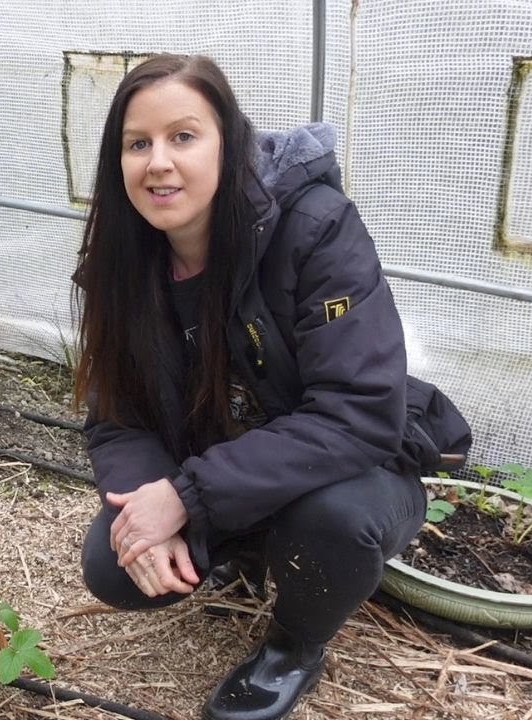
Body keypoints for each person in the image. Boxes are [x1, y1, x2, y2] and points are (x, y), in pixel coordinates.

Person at [72, 54, 427, 720]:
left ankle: (294, 648)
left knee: (334, 523)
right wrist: (146, 510)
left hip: (352, 470)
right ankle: (240, 551)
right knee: (113, 564)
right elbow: (117, 418)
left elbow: (359, 414)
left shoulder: (316, 228)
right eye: (137, 143)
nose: (158, 162)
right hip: (229, 468)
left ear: (228, 142)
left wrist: (187, 496)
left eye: (183, 136)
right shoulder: (123, 259)